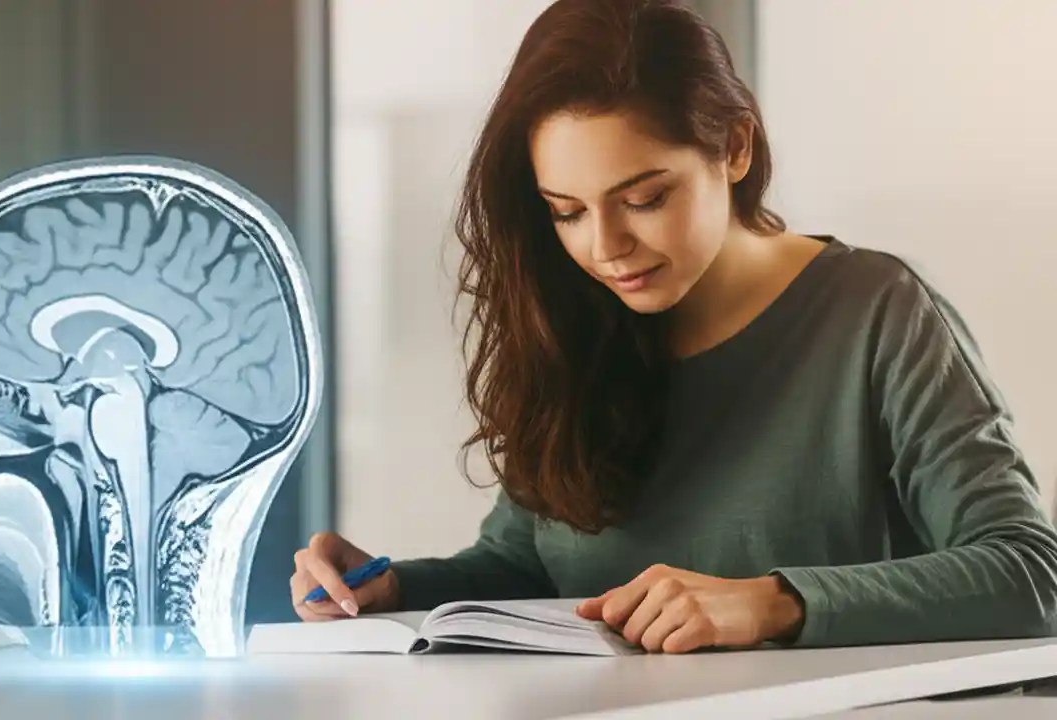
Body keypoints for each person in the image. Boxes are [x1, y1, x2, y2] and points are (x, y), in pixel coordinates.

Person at [289, 0, 1057, 653]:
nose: (605, 247)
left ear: (734, 148)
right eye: (567, 212)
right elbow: (528, 567)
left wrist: (770, 603)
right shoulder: (576, 320)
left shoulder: (874, 313)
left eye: (645, 199)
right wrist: (389, 588)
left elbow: (1030, 572)